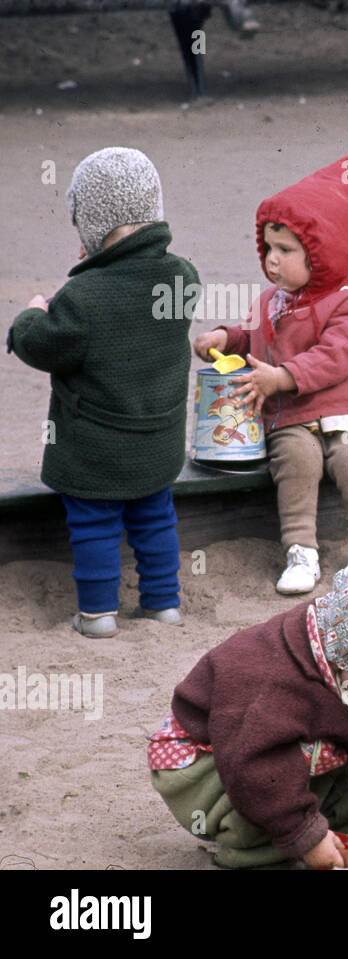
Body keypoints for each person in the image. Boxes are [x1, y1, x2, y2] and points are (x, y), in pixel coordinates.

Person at [148, 518, 348, 868]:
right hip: (210, 760)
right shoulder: (272, 680)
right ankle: (259, 849)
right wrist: (303, 837)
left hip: (280, 744)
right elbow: (254, 762)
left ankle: (339, 830)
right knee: (291, 767)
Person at [7, 147, 194, 637]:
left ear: (89, 227)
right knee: (156, 520)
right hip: (157, 439)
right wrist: (106, 264)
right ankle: (163, 604)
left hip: (95, 448)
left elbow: (43, 345)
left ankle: (97, 614)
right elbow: (137, 315)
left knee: (93, 524)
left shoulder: (81, 298)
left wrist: (30, 314)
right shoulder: (182, 278)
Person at [192, 154, 348, 595]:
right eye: (268, 248)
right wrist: (226, 340)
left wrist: (282, 377)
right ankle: (301, 550)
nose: (272, 260)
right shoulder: (270, 301)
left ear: (322, 253)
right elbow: (256, 340)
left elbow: (335, 356)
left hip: (347, 410)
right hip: (294, 414)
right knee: (296, 461)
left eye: (286, 251)